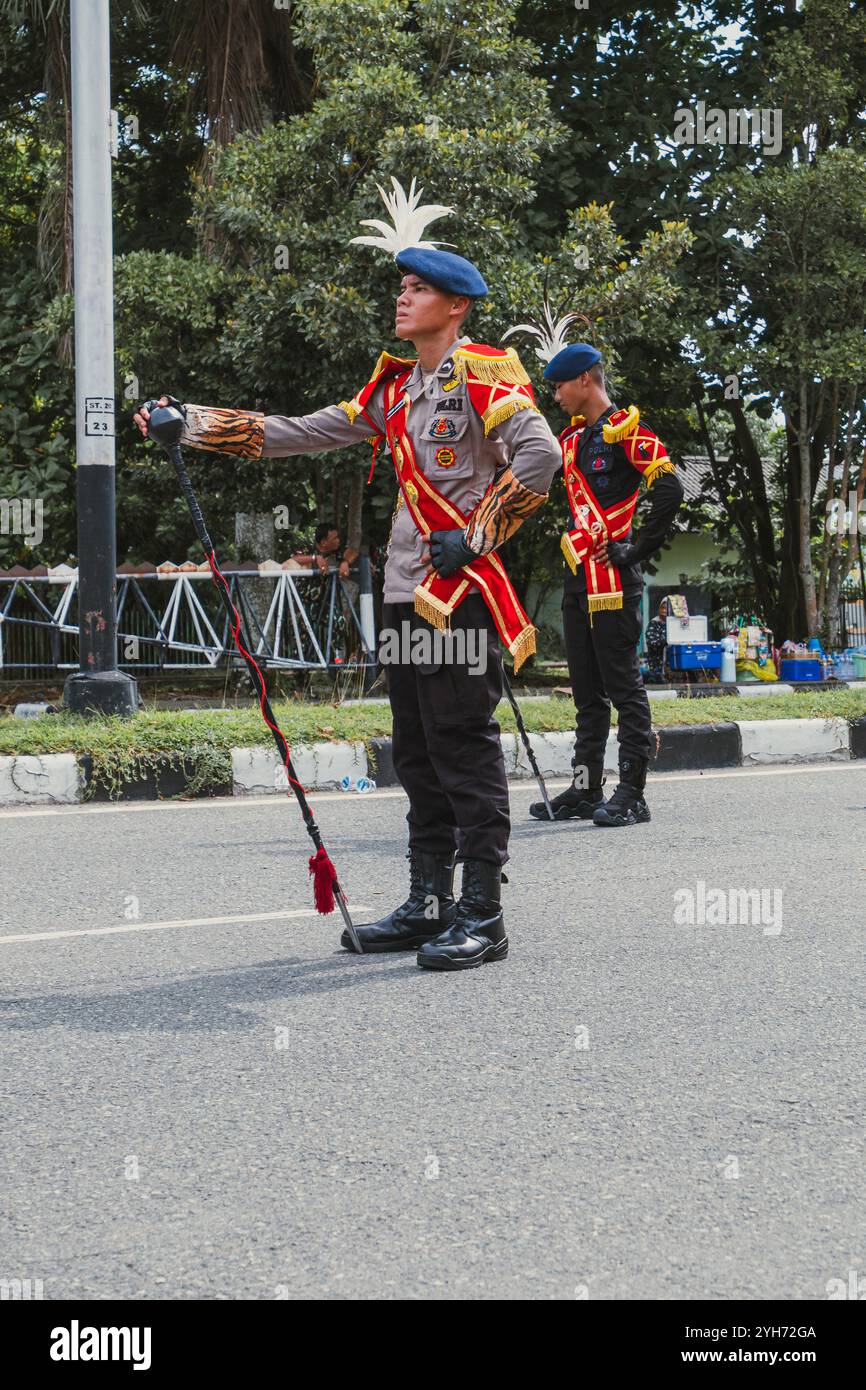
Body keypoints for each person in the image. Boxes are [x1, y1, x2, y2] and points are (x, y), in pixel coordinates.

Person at [134, 185, 561, 970]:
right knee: (416, 750)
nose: (402, 297)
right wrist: (188, 422)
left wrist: (475, 536)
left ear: (457, 306)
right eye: (400, 286)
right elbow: (298, 431)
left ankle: (483, 913)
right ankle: (428, 900)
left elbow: (542, 459)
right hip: (404, 594)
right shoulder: (394, 390)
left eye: (418, 288)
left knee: (461, 745)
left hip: (457, 599)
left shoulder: (488, 377)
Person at [527, 343, 683, 827]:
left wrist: (635, 550)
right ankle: (583, 789)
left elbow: (669, 487)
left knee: (624, 688)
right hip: (579, 580)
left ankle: (632, 793)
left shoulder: (626, 432)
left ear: (585, 381)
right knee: (585, 692)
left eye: (559, 385)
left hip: (615, 582)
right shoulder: (572, 441)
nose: (555, 395)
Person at [292, 521, 356, 579]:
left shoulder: (338, 549)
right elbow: (293, 560)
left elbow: (354, 552)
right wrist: (315, 558)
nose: (338, 540)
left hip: (331, 590)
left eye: (337, 537)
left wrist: (345, 562)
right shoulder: (308, 550)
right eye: (335, 538)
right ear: (323, 542)